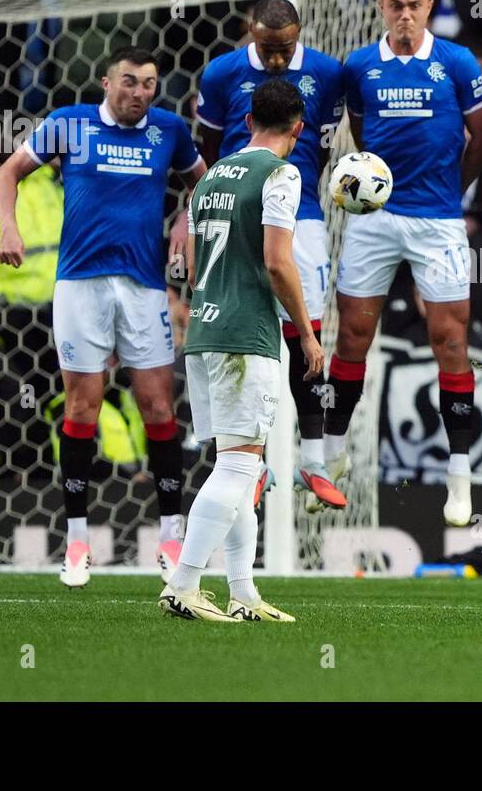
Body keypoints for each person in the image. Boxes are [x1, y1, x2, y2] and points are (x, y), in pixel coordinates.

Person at [0, 46, 207, 589]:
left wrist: (184, 220)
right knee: (83, 407)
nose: (140, 93)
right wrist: (8, 227)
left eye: (150, 84)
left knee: (158, 405)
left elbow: (202, 182)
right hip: (80, 286)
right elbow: (7, 173)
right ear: (107, 82)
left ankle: (171, 535)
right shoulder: (69, 124)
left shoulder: (169, 131)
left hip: (143, 287)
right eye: (130, 82)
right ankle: (77, 538)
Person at [330, 0, 482, 526]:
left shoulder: (457, 62)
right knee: (352, 335)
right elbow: (359, 132)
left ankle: (459, 471)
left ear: (429, 8)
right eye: (396, 4)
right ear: (381, 6)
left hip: (438, 220)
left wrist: (451, 191)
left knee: (449, 339)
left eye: (415, 5)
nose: (405, 14)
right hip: (374, 218)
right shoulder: (359, 66)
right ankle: (331, 457)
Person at [160, 79, 322, 623]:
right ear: (298, 129)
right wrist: (307, 331)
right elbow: (278, 261)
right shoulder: (282, 173)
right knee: (237, 465)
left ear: (248, 119)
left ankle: (243, 592)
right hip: (245, 333)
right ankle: (182, 583)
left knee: (242, 467)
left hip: (205, 332)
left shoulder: (212, 178)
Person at [195, 0, 345, 510]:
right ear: (250, 34)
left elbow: (325, 145)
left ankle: (314, 461)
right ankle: (250, 460)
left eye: (286, 48)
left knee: (310, 333)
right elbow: (208, 148)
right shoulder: (220, 74)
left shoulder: (327, 72)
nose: (277, 59)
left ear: (299, 34)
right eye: (266, 48)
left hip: (299, 215)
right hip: (238, 212)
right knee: (245, 328)